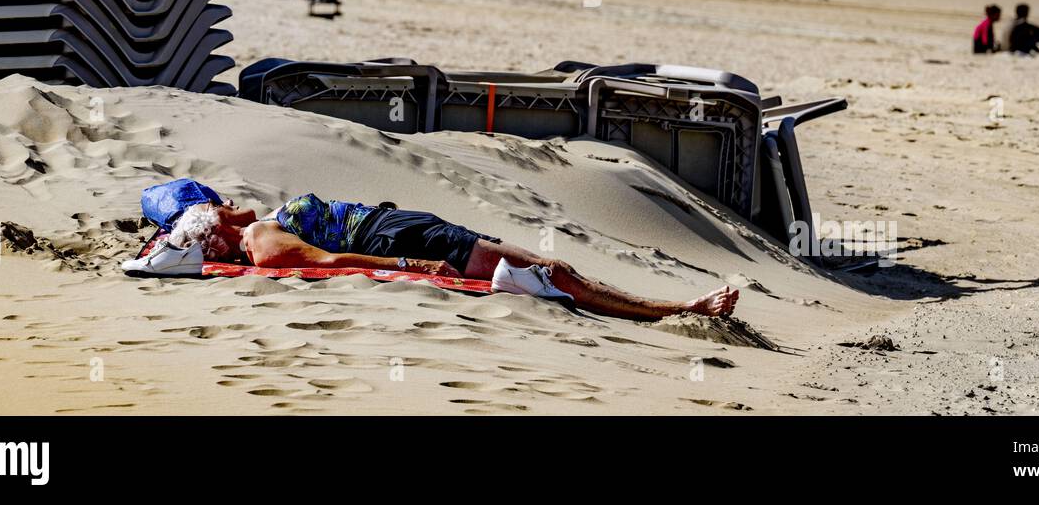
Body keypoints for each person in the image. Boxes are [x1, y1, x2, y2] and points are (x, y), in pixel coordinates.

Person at [164, 194, 739, 321]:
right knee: (550, 271)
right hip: (399, 241)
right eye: (219, 204)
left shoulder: (259, 228)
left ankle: (671, 306)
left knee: (547, 265)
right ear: (215, 222)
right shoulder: (260, 243)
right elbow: (329, 262)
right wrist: (413, 268)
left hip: (403, 229)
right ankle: (675, 309)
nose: (229, 199)